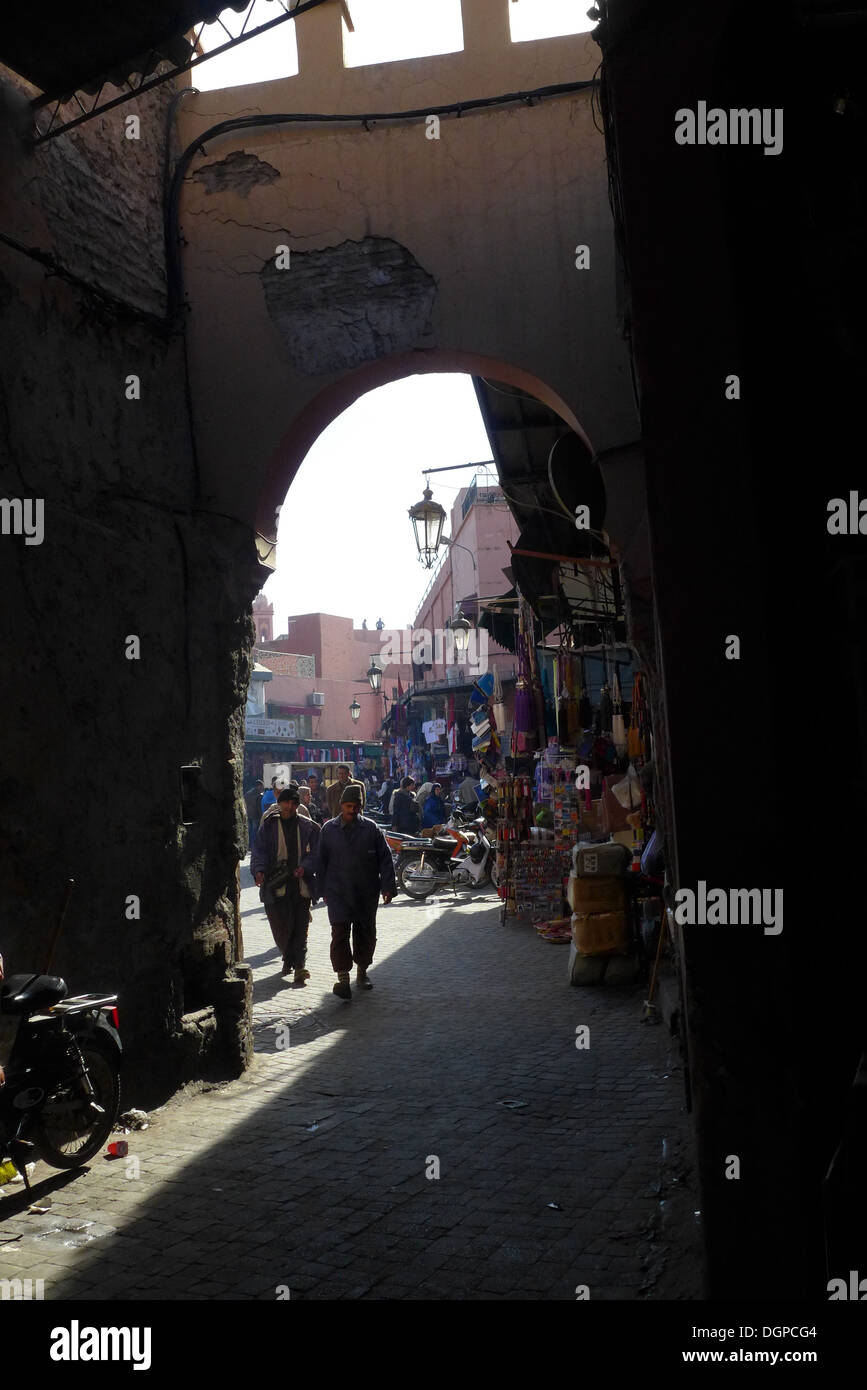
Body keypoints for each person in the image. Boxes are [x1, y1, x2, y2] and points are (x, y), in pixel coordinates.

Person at [315, 784, 396, 999]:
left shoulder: (371, 829)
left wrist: (388, 887)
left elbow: (385, 859)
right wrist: (320, 890)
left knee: (365, 933)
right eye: (349, 806)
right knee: (339, 933)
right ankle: (343, 978)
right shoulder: (328, 830)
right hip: (338, 892)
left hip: (365, 893)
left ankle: (362, 973)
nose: (352, 810)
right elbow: (320, 862)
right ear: (341, 805)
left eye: (356, 806)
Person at [251, 787, 320, 985]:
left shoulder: (308, 827)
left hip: (300, 885)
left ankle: (300, 966)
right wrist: (259, 871)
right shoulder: (269, 825)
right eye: (286, 802)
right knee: (281, 927)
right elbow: (259, 851)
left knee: (301, 926)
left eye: (293, 803)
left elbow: (316, 853)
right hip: (276, 884)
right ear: (279, 803)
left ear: (298, 805)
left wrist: (305, 868)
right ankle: (288, 957)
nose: (289, 806)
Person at [244, 779, 265, 848]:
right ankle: (254, 845)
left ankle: (249, 844)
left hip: (248, 814)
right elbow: (259, 807)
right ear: (259, 786)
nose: (263, 788)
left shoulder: (247, 793)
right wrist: (262, 815)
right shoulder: (259, 795)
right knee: (255, 831)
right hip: (255, 815)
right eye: (262, 786)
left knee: (249, 831)